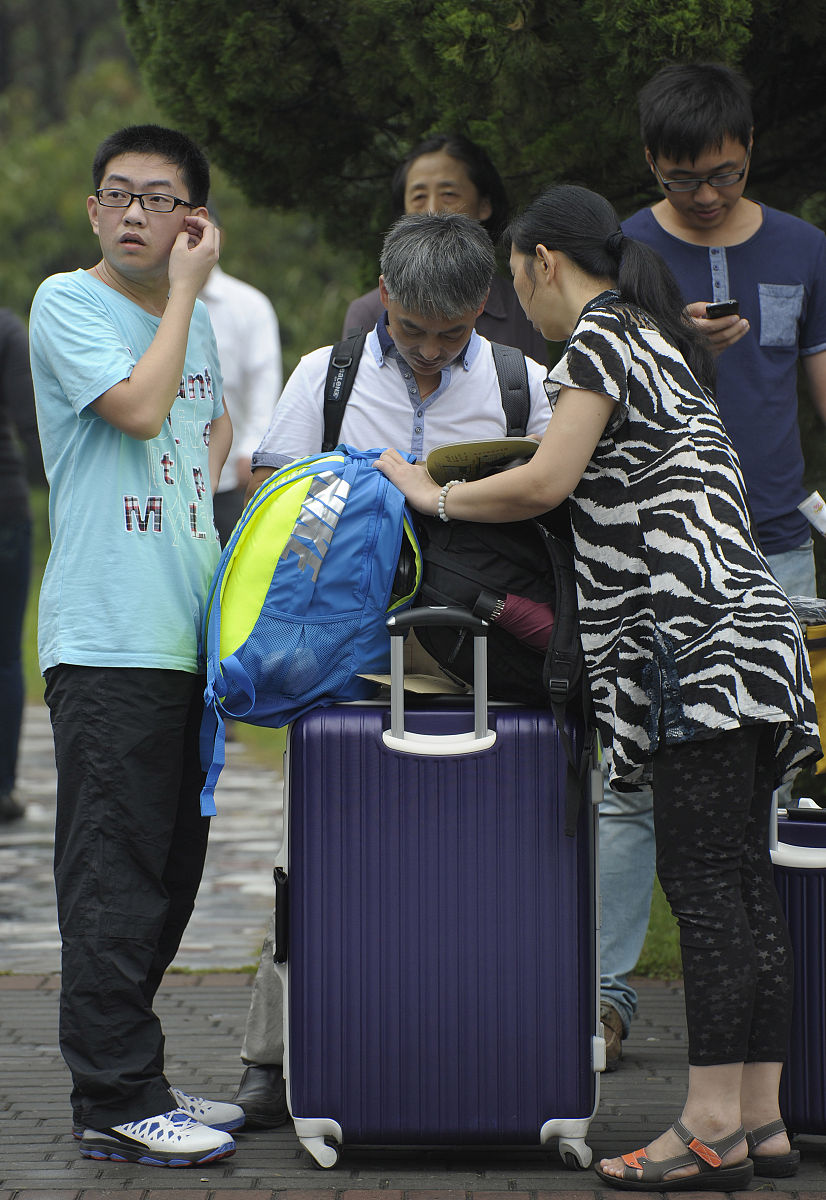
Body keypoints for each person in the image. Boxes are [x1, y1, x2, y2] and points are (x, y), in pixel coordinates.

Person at [375, 183, 820, 1190]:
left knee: (705, 892)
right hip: (753, 640)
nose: (515, 315)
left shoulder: (601, 336)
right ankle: (759, 1119)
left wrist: (430, 490)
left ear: (538, 260)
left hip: (690, 650)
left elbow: (545, 481)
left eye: (514, 285)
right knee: (746, 890)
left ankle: (707, 1128)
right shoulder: (662, 341)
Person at [232, 210, 551, 1127]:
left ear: (483, 307)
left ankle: (464, 1034)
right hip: (349, 657)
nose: (426, 350)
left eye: (449, 333)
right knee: (315, 854)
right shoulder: (324, 376)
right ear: (383, 296)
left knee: (478, 850)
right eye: (410, 329)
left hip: (480, 655)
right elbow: (272, 496)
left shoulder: (521, 385)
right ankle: (273, 1056)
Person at [598, 61, 826, 1072]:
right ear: (652, 164)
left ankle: (764, 1033)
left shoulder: (802, 249)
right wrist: (675, 346)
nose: (706, 194)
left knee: (775, 793)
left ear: (747, 154)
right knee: (630, 785)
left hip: (770, 545)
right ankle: (604, 1002)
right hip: (651, 557)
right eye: (685, 176)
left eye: (724, 174)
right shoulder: (623, 249)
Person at [29, 124, 244, 1168]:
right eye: (116, 195)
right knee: (111, 876)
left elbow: (208, 436)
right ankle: (111, 1095)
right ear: (91, 210)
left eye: (158, 199)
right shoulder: (66, 304)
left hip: (181, 645)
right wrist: (190, 297)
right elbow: (144, 406)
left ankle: (138, 1073)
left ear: (192, 217)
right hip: (107, 638)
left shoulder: (184, 327)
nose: (132, 215)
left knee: (168, 871)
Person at [342, 132, 549, 365]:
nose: (432, 209)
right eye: (419, 196)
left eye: (448, 194)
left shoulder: (520, 306)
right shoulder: (369, 311)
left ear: (484, 205)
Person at [199, 222, 282, 545]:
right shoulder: (149, 301)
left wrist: (252, 453)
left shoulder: (248, 305)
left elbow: (264, 385)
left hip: (232, 476)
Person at [0, 308, 44, 822]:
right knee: (5, 655)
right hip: (4, 507)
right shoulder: (8, 328)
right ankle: (2, 787)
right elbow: (31, 425)